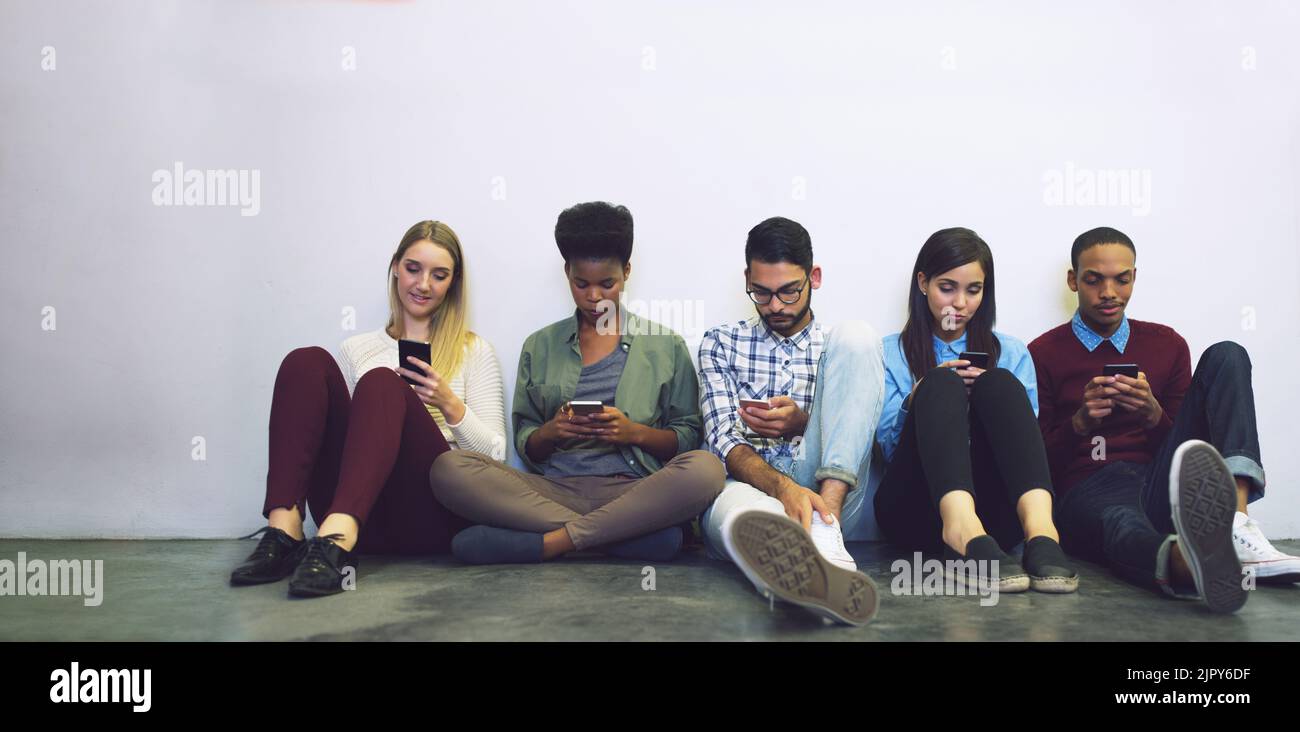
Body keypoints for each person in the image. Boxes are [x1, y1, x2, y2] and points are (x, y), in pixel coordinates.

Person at [429, 201, 725, 564]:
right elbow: (526, 442)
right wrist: (553, 431)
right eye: (581, 284)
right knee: (448, 469)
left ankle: (551, 543)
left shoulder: (665, 346)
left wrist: (633, 433)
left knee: (707, 469)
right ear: (566, 272)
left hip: (634, 491)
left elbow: (686, 437)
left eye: (607, 284)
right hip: (552, 492)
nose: (595, 296)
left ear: (627, 272)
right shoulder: (539, 346)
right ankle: (622, 536)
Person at [1029, 226, 1299, 613]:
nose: (1109, 293)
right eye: (1094, 280)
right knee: (1121, 524)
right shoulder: (1042, 352)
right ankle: (1189, 566)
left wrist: (1153, 414)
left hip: (1159, 478)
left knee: (1228, 354)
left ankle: (1237, 523)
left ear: (1134, 278)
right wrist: (1081, 423)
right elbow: (1035, 466)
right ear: (1073, 280)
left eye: (1121, 280)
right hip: (1088, 487)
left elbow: (1188, 453)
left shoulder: (1166, 344)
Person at [229, 220, 506, 597]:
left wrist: (450, 405)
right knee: (305, 361)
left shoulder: (474, 351)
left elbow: (497, 458)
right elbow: (328, 438)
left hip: (427, 517)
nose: (423, 284)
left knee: (381, 382)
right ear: (395, 267)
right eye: (413, 269)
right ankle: (285, 530)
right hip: (357, 513)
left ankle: (337, 538)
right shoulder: (356, 349)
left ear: (452, 283)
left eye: (438, 275)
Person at [697, 216, 884, 626]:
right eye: (761, 293)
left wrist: (804, 424)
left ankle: (823, 530)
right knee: (743, 517)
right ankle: (799, 574)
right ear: (747, 277)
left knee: (859, 334)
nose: (776, 306)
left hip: (825, 488)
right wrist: (783, 490)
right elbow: (722, 441)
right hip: (749, 486)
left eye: (788, 291)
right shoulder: (721, 342)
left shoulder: (839, 348)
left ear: (814, 277)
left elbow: (863, 437)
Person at [874, 228, 1078, 595]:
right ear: (923, 283)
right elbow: (887, 450)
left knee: (997, 382)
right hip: (916, 511)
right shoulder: (888, 352)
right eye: (947, 287)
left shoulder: (1012, 352)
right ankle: (959, 527)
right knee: (939, 384)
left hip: (996, 519)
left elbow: (1025, 452)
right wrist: (919, 397)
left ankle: (1043, 534)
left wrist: (981, 403)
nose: (960, 304)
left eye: (973, 290)